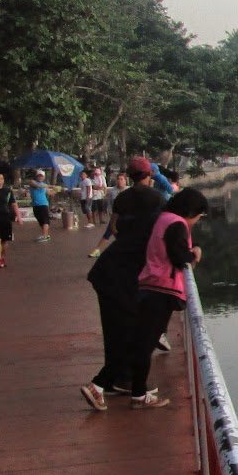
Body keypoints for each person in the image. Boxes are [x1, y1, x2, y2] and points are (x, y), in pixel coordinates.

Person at [80, 160, 166, 409]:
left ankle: (123, 381)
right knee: (133, 330)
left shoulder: (123, 198)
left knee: (116, 329)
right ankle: (101, 384)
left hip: (109, 270)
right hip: (119, 275)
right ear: (150, 174)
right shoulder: (157, 200)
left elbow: (114, 226)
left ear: (129, 176)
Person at [125, 187, 208, 410]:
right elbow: (179, 255)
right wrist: (195, 253)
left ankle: (136, 389)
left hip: (150, 284)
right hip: (161, 288)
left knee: (145, 340)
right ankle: (138, 394)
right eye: (199, 215)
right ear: (192, 211)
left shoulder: (163, 218)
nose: (197, 221)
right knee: (146, 342)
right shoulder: (176, 224)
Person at [88, 170, 129, 258]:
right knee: (108, 232)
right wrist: (110, 213)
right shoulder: (113, 191)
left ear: (125, 181)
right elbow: (110, 203)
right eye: (118, 179)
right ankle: (97, 250)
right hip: (115, 216)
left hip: (126, 217)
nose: (120, 181)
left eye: (122, 179)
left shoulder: (129, 191)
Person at [28, 170, 53, 241]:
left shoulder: (44, 185)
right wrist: (50, 185)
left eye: (42, 176)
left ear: (44, 177)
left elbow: (49, 193)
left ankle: (45, 235)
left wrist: (57, 189)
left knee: (45, 220)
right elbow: (38, 186)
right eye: (39, 176)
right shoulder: (33, 182)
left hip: (43, 204)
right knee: (41, 220)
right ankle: (46, 235)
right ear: (36, 176)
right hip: (35, 205)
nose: (40, 177)